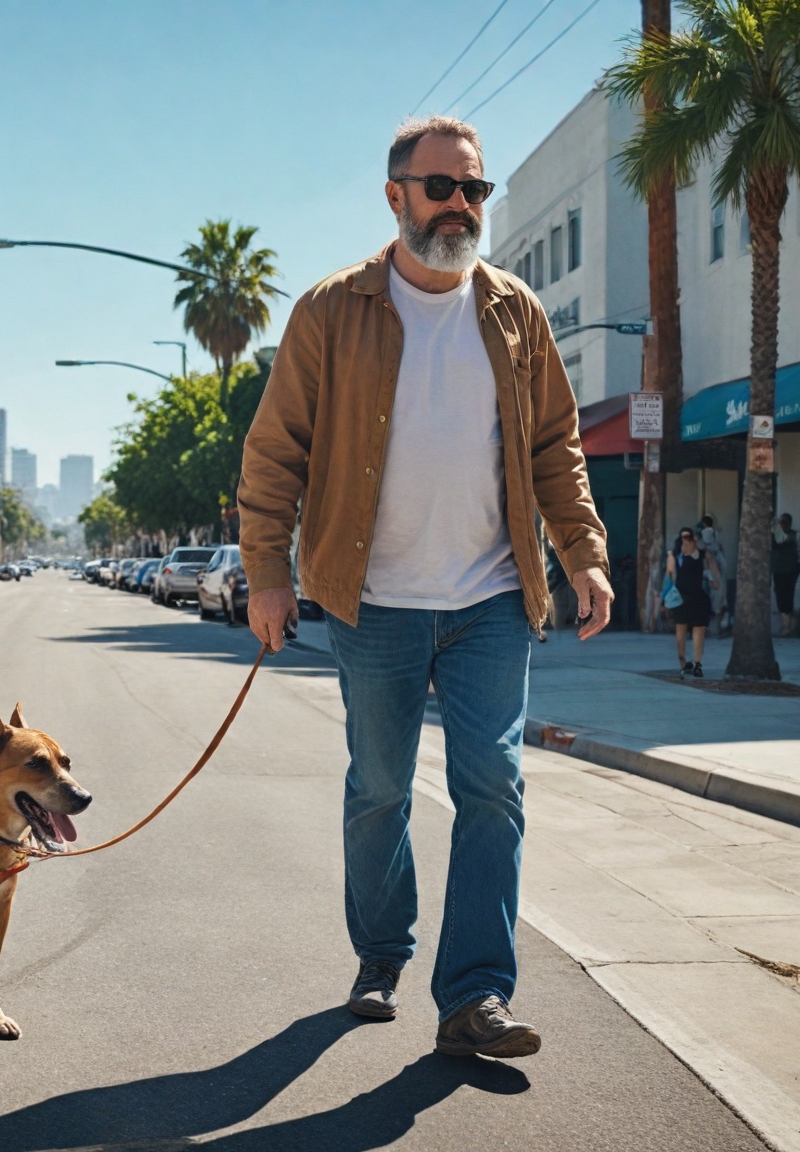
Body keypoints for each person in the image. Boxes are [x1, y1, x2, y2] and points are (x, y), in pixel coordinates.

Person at [239, 115, 611, 1061]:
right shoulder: (333, 310)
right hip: (375, 603)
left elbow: (554, 448)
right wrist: (268, 575)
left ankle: (475, 996)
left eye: (473, 190)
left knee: (496, 785)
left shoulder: (516, 313)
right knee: (380, 790)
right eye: (441, 187)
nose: (459, 206)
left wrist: (584, 555)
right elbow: (275, 452)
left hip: (491, 597)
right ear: (395, 193)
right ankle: (380, 953)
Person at [667, 528, 717, 676]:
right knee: (681, 633)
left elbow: (714, 575)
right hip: (680, 599)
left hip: (698, 598)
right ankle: (683, 662)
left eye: (690, 539)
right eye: (684, 539)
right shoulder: (675, 555)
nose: (687, 542)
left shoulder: (703, 555)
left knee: (698, 631)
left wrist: (713, 579)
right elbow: (669, 577)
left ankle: (697, 663)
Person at [770, 513, 800, 636]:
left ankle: (790, 628)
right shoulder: (775, 537)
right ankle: (786, 627)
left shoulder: (796, 536)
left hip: (792, 573)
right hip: (780, 573)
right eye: (782, 523)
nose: (783, 525)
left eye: (785, 523)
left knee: (791, 601)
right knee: (783, 600)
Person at [696, 513, 728, 635]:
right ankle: (718, 627)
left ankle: (715, 627)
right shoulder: (716, 538)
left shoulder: (708, 541)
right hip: (717, 575)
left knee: (715, 601)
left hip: (713, 577)